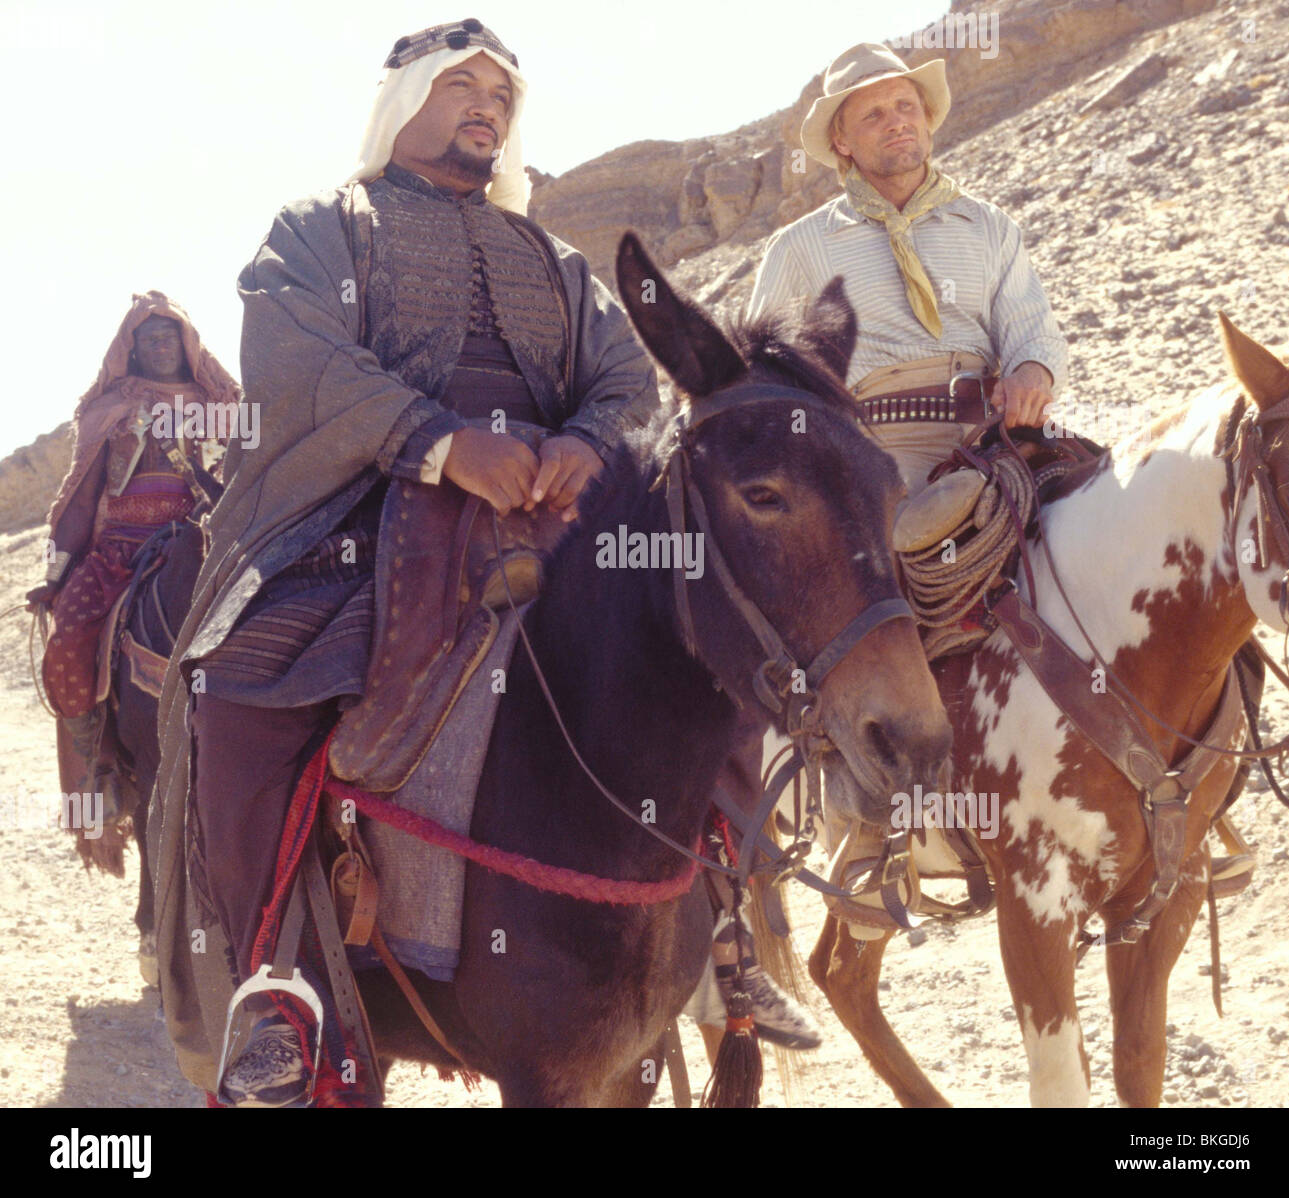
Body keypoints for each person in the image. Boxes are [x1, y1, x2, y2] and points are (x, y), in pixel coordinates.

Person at [152, 18, 806, 1107]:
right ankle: (276, 983)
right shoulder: (318, 231)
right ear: (401, 99)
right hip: (355, 512)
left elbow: (621, 383)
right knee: (243, 679)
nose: (487, 104)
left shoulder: (553, 259)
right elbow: (299, 356)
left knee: (710, 664)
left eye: (502, 91)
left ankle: (727, 925)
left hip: (547, 515)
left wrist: (576, 446)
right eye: (461, 82)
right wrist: (446, 443)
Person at [748, 41, 1069, 498]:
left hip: (996, 430)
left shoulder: (988, 225)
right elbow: (760, 376)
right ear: (842, 142)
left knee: (1109, 512)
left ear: (926, 118)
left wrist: (1032, 374)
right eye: (873, 115)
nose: (896, 120)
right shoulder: (799, 246)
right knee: (913, 543)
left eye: (905, 105)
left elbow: (1033, 332)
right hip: (877, 450)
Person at [30, 293, 235, 853]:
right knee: (70, 635)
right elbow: (78, 496)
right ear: (133, 350)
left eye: (170, 335)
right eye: (148, 339)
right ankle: (98, 774)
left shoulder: (224, 404)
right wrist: (54, 575)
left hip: (204, 542)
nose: (161, 345)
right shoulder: (112, 409)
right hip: (119, 551)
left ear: (188, 343)